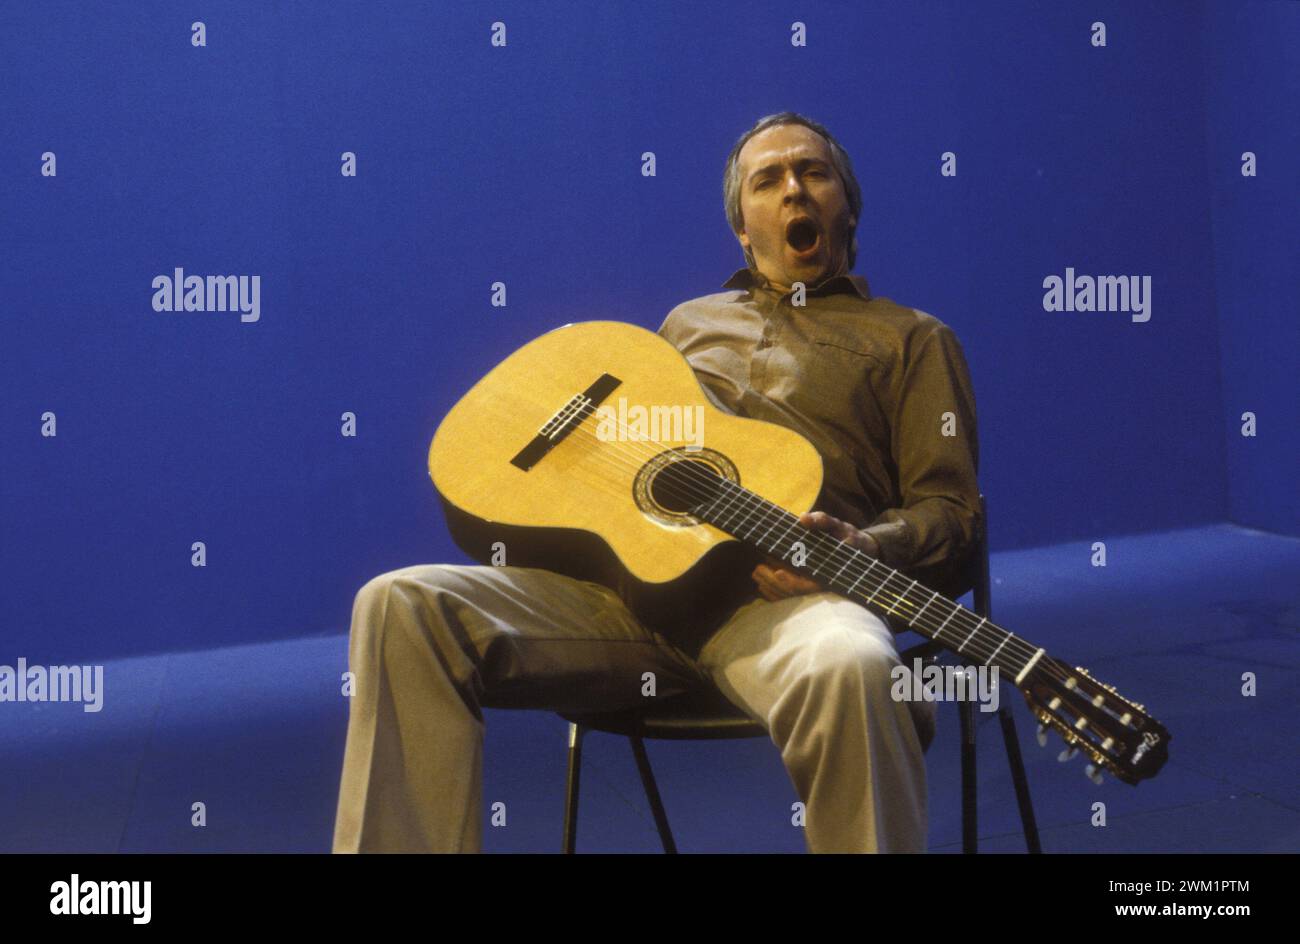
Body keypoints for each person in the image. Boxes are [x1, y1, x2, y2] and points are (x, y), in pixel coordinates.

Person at [332, 111, 981, 853]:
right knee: (398, 604)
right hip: (628, 606)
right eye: (768, 180)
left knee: (860, 664)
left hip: (784, 612)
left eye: (814, 172)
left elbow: (952, 515)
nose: (793, 189)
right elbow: (619, 464)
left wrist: (867, 544)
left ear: (848, 206)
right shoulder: (689, 324)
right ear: (743, 227)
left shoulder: (913, 339)